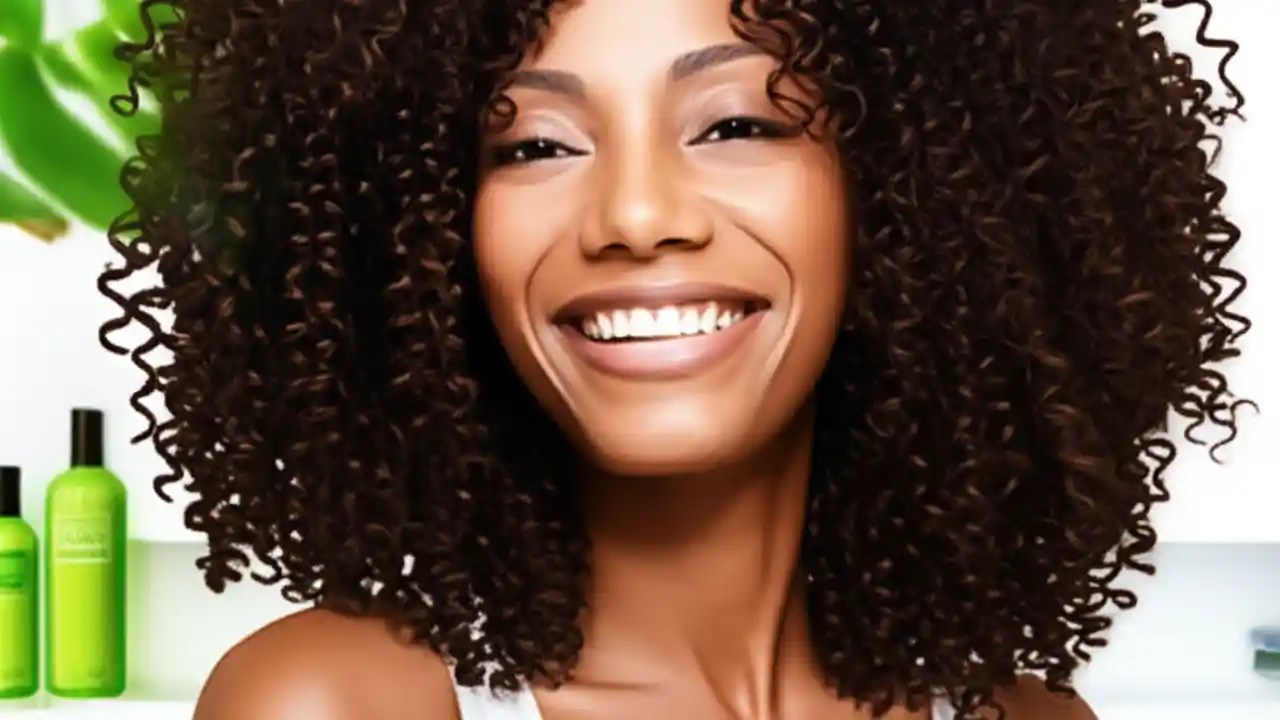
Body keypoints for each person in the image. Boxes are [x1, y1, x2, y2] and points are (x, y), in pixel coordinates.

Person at [99, 0, 1251, 717]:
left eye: (737, 125)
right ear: (418, 233)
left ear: (916, 203)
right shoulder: (339, 707)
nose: (637, 214)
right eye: (534, 144)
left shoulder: (1026, 719)